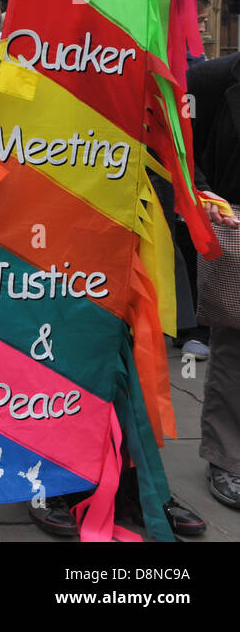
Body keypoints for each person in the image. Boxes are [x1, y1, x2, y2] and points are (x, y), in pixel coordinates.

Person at [185, 53, 240, 512]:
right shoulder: (211, 80)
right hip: (236, 226)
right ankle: (229, 459)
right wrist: (202, 192)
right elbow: (176, 144)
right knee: (234, 346)